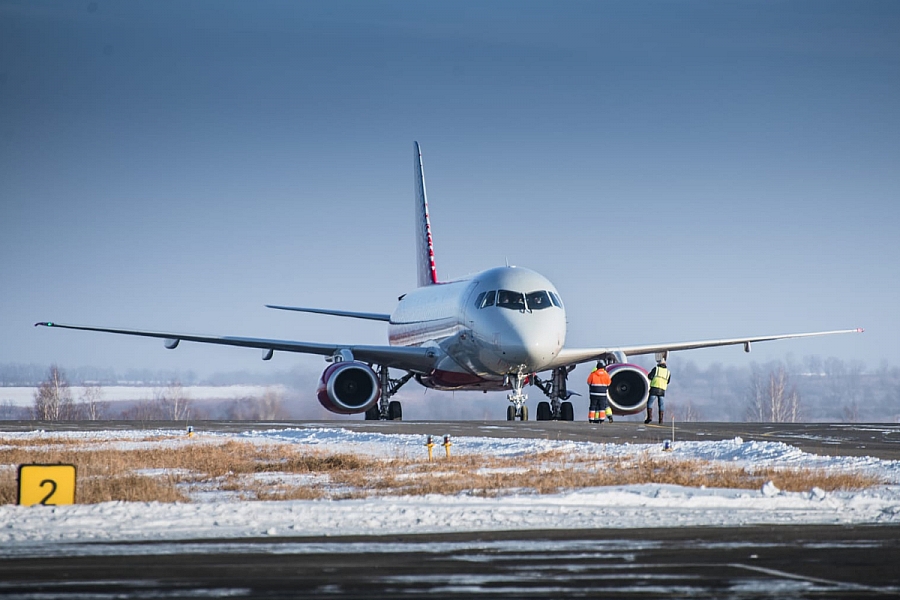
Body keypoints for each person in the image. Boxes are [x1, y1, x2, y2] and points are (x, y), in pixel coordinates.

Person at [645, 359, 671, 424]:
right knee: (661, 404)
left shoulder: (656, 369)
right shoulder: (668, 372)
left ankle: (649, 417)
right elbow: (668, 381)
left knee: (650, 403)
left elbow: (650, 376)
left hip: (654, 388)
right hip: (662, 390)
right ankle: (661, 420)